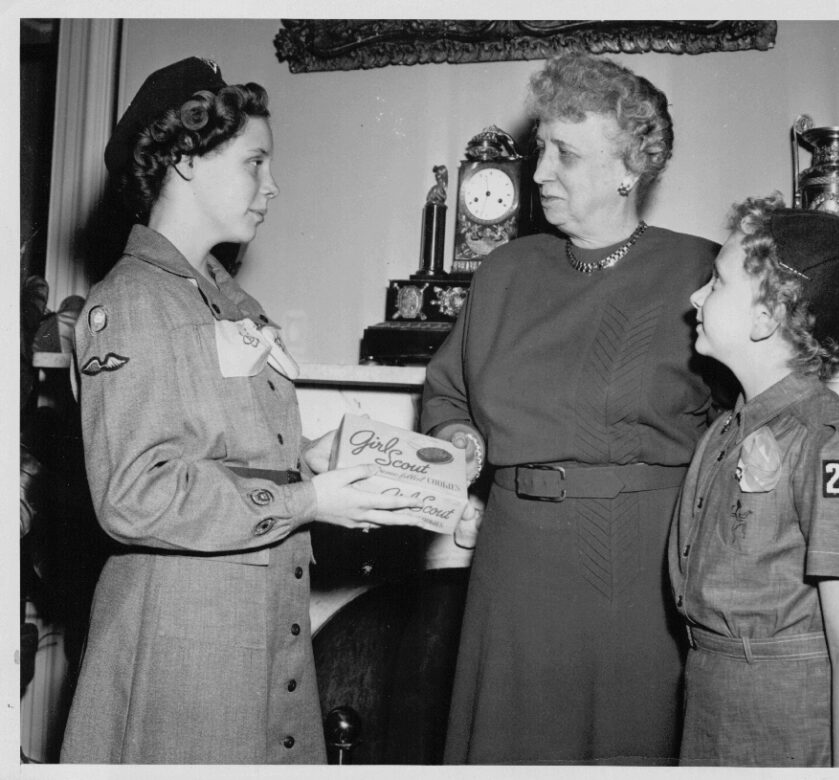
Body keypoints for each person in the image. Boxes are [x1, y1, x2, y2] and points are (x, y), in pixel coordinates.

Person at [60, 56, 418, 764]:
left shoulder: (226, 301)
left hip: (251, 638)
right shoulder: (132, 302)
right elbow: (135, 495)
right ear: (186, 159)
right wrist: (312, 498)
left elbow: (219, 448)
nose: (272, 186)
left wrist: (313, 463)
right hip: (181, 656)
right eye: (256, 162)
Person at [421, 52, 720, 765]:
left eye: (565, 154)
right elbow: (448, 390)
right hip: (515, 561)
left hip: (641, 565)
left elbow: (746, 417)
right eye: (538, 151)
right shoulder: (504, 272)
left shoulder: (700, 271)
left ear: (630, 167)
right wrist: (458, 438)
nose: (540, 173)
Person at [668, 194, 839, 767]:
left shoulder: (836, 446)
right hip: (713, 708)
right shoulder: (725, 430)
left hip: (788, 728)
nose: (695, 297)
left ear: (767, 316)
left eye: (716, 283)